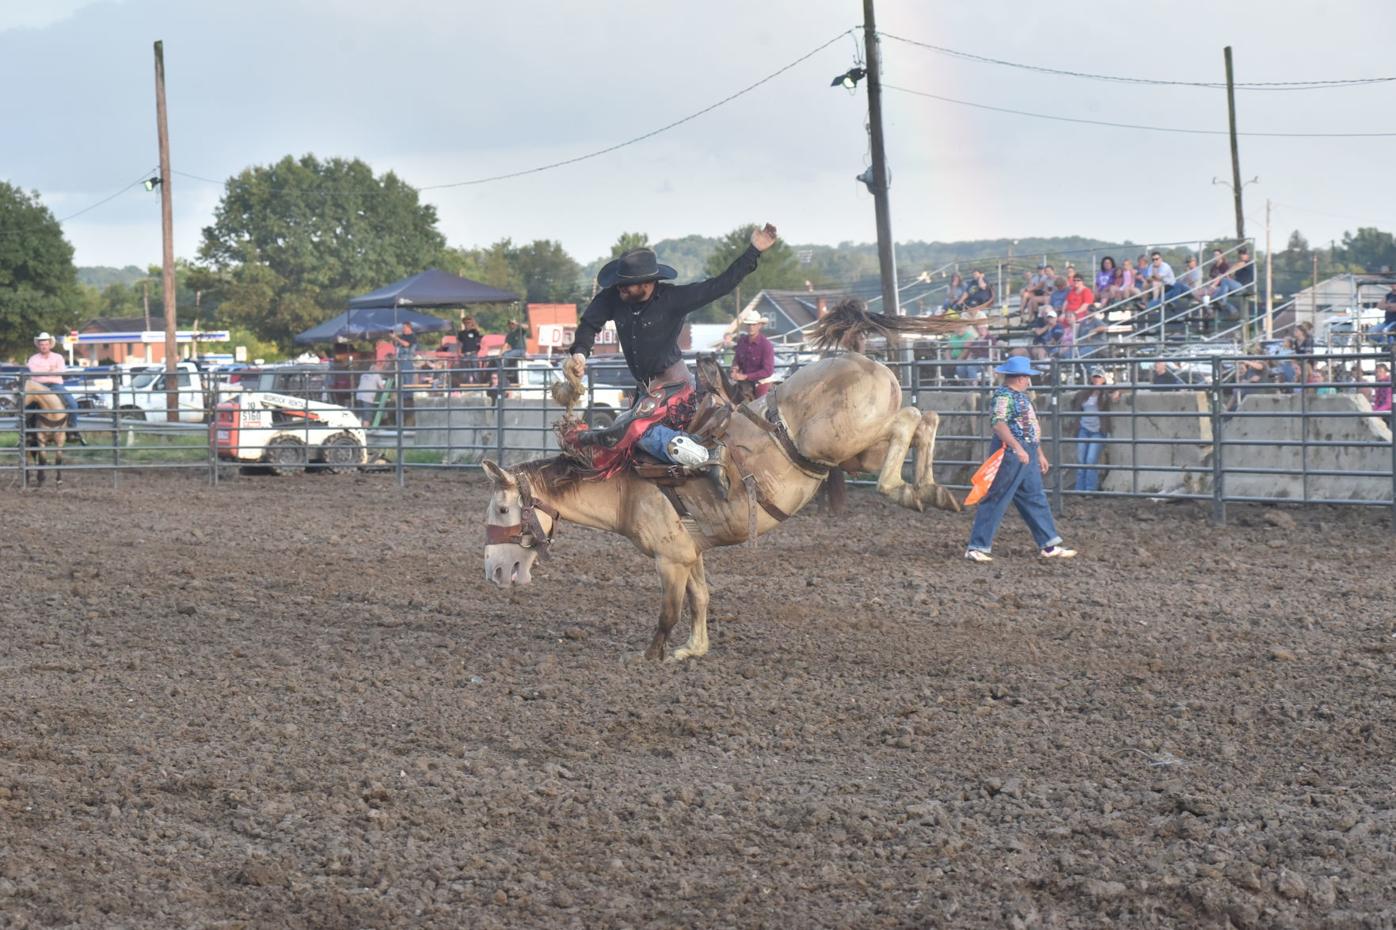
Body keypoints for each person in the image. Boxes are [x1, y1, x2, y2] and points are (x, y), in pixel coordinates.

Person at [565, 224, 778, 481]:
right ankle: (685, 453)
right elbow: (589, 323)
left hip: (674, 386)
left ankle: (704, 456)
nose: (620, 289)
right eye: (619, 284)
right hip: (646, 390)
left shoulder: (674, 298)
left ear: (646, 283)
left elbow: (720, 285)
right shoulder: (614, 297)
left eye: (626, 285)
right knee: (626, 428)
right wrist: (580, 354)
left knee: (634, 430)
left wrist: (753, 250)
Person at [964, 356, 1075, 562]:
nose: (1028, 381)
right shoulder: (1004, 397)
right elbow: (998, 424)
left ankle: (1049, 544)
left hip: (1025, 451)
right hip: (1012, 451)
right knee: (998, 496)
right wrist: (1018, 448)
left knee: (1034, 496)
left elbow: (1030, 427)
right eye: (1027, 377)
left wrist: (1037, 453)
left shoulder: (1018, 397)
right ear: (1021, 378)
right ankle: (977, 546)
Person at [26, 332, 84, 444]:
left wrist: (44, 372)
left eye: (46, 344)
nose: (44, 346)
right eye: (41, 344)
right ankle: (28, 431)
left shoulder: (58, 357)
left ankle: (72, 429)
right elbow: (34, 372)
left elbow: (60, 371)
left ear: (50, 345)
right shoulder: (33, 359)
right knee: (27, 406)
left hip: (55, 385)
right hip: (38, 387)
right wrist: (51, 370)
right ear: (38, 345)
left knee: (73, 404)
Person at [1071, 367, 1119, 492]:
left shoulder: (1105, 393)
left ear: (1103, 379)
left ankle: (1089, 489)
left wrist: (1117, 392)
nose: (1097, 379)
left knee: (1090, 460)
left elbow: (1122, 388)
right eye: (1095, 377)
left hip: (1098, 430)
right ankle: (1079, 490)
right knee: (1082, 460)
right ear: (1092, 379)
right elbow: (1074, 401)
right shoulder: (1084, 393)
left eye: (1099, 377)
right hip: (1084, 429)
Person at [728, 308, 776, 400]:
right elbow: (737, 359)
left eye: (754, 324)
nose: (751, 327)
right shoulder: (742, 341)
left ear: (759, 325)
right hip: (744, 382)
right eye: (749, 324)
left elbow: (768, 371)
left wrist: (745, 376)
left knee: (761, 405)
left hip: (762, 382)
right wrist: (735, 368)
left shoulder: (766, 345)